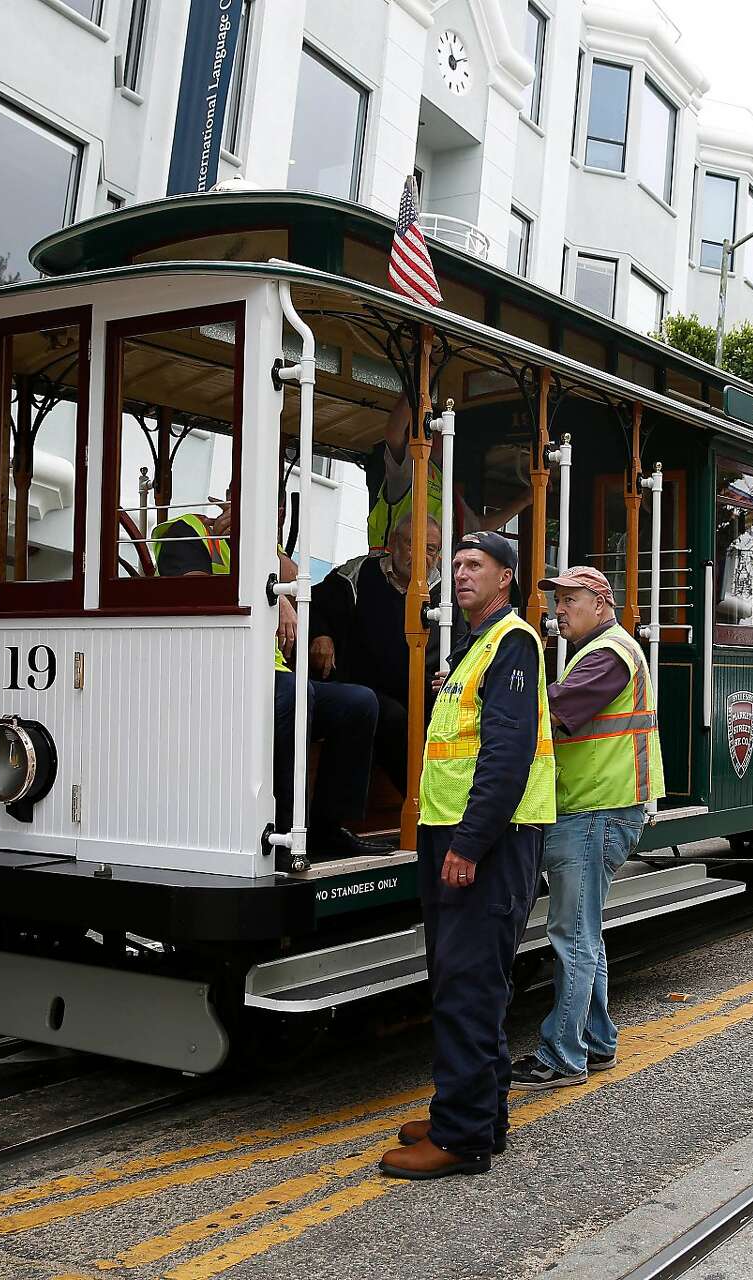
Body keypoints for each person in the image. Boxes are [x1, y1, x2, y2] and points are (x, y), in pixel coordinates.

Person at [381, 531, 553, 1179]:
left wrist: (470, 843)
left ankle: (461, 1137)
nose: (459, 574)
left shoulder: (512, 643)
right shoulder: (477, 646)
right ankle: (478, 1111)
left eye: (474, 564)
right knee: (468, 982)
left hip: (486, 841)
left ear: (505, 577)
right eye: (454, 564)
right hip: (455, 834)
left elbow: (506, 758)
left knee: (466, 986)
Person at [160, 492, 384, 861]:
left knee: (359, 702)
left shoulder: (267, 544)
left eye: (277, 510)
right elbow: (194, 588)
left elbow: (298, 583)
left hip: (268, 673)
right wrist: (272, 595)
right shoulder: (189, 532)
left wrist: (260, 543)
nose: (270, 514)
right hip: (212, 670)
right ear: (231, 496)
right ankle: (280, 829)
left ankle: (325, 828)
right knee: (296, 694)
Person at [511, 566, 664, 1090]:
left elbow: (553, 710)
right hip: (601, 807)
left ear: (602, 604)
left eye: (570, 600)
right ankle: (595, 1041)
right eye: (557, 601)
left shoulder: (606, 655)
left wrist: (483, 693)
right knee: (585, 933)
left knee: (571, 936)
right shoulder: (605, 651)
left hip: (596, 810)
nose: (560, 610)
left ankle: (561, 1056)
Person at [312, 515, 467, 794]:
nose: (422, 556)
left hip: (422, 689)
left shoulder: (445, 592)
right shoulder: (359, 574)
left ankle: (455, 805)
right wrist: (321, 634)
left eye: (431, 549)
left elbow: (460, 647)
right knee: (391, 716)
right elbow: (315, 603)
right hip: (367, 686)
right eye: (413, 544)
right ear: (393, 543)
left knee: (460, 713)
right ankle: (422, 803)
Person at [367, 397, 531, 552]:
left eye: (441, 431)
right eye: (434, 430)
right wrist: (422, 376)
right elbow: (393, 434)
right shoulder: (411, 466)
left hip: (433, 578)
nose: (438, 437)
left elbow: (479, 527)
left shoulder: (446, 486)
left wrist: (525, 500)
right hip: (392, 574)